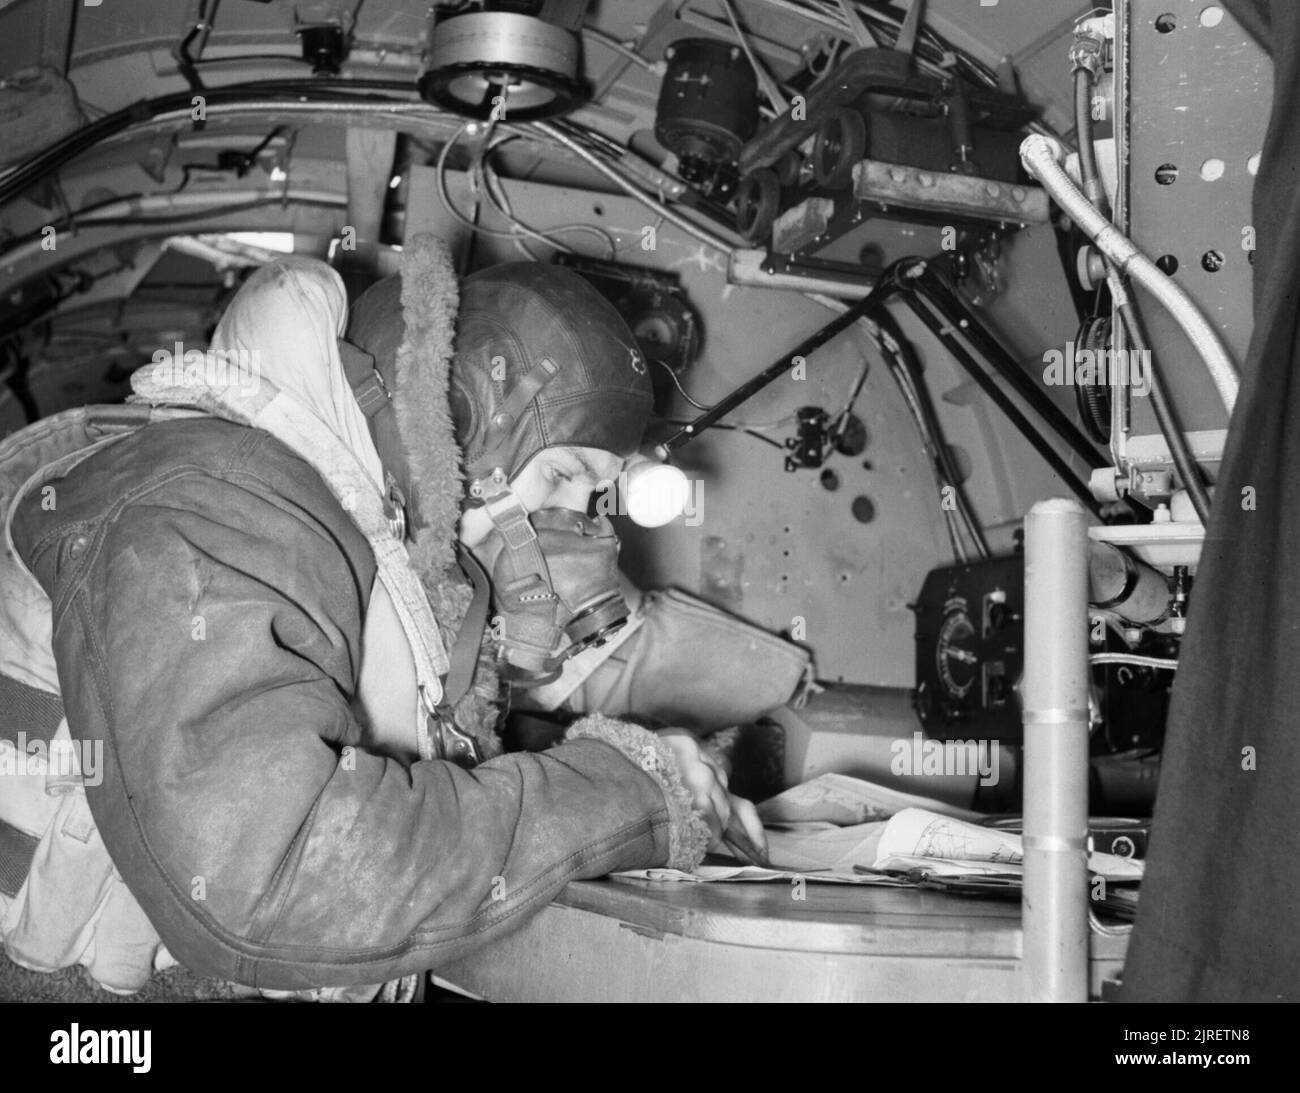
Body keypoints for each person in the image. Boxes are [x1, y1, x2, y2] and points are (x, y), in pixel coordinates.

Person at [0, 234, 766, 997]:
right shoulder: (210, 501)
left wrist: (628, 760)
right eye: (564, 474)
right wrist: (628, 793)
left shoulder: (357, 541)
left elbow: (413, 771)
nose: (569, 519)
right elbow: (283, 876)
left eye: (593, 495)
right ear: (462, 412)